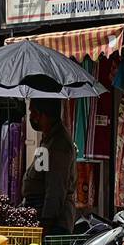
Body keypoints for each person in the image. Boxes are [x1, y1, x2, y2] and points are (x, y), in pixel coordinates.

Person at [23, 98, 77, 235]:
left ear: (44, 114)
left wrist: (46, 223)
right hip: (39, 215)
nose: (31, 117)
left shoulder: (58, 144)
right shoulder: (48, 139)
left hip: (54, 225)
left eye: (34, 113)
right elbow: (41, 172)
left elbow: (55, 188)